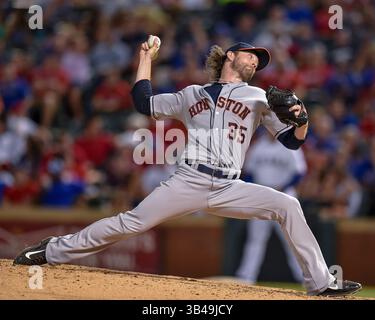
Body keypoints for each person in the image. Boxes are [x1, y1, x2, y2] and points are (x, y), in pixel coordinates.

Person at [13, 39, 361, 296]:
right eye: (251, 55)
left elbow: (292, 141)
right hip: (188, 179)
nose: (255, 62)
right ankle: (51, 250)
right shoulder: (190, 94)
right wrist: (145, 58)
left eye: (259, 60)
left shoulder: (259, 98)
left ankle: (320, 284)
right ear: (231, 55)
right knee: (130, 223)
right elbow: (143, 101)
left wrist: (302, 118)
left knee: (288, 204)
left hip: (230, 187)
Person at [236, 131, 306, 284]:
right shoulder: (259, 146)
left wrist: (283, 187)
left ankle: (305, 277)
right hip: (263, 198)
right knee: (255, 239)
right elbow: (248, 172)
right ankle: (246, 277)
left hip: (284, 197)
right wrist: (256, 189)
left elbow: (299, 173)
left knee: (293, 240)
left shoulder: (290, 146)